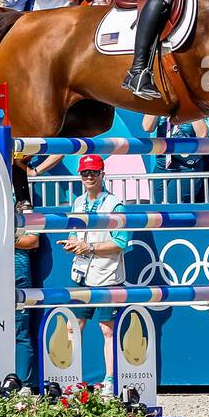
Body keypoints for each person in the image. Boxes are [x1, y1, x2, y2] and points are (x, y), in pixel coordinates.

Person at [61, 153, 127, 390]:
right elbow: (73, 232)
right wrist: (71, 242)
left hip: (107, 274)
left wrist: (87, 246)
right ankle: (69, 378)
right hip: (81, 273)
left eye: (93, 172)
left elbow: (121, 243)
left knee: (107, 329)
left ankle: (110, 380)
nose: (89, 176)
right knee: (72, 326)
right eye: (85, 173)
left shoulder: (115, 204)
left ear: (102, 174)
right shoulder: (78, 203)